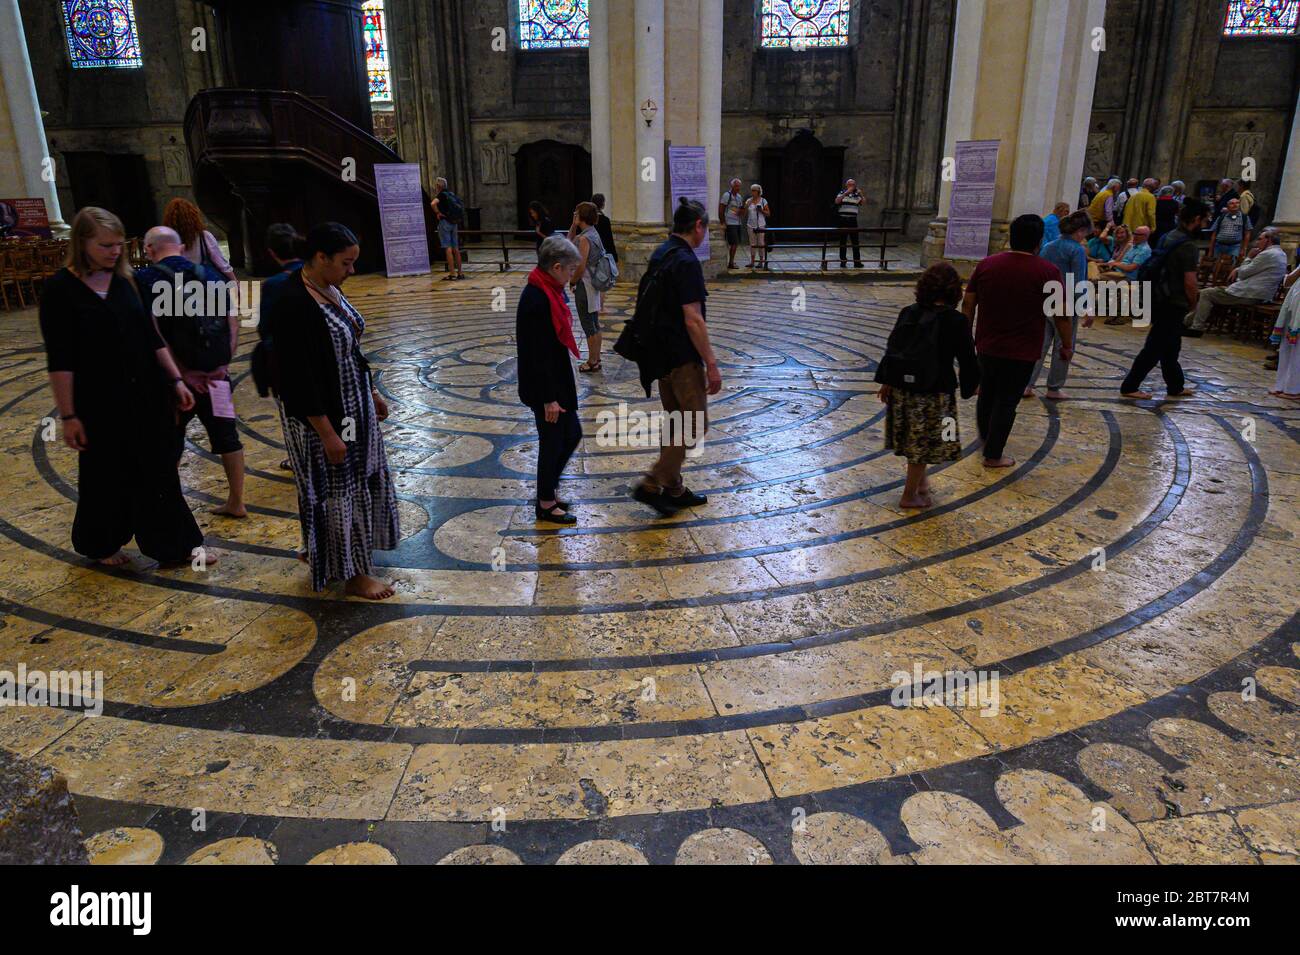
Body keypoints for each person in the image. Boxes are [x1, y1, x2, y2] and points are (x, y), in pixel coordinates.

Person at [38, 207, 210, 569]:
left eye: (119, 244)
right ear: (82, 242)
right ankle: (99, 542)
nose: (115, 251)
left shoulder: (126, 282)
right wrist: (68, 414)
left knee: (160, 469)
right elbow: (61, 359)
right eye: (105, 245)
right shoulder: (59, 290)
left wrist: (175, 379)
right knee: (105, 473)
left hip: (146, 393)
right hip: (98, 399)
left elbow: (152, 337)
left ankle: (176, 546)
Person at [273, 222, 400, 599]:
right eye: (346, 263)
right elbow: (297, 379)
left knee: (357, 479)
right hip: (323, 415)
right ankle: (355, 575)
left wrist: (372, 391)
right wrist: (327, 432)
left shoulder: (329, 288)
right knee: (339, 487)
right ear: (320, 257)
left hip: (353, 403)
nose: (352, 271)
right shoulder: (293, 304)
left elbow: (350, 350)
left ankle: (325, 552)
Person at [136, 225, 246, 518]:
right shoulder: (213, 276)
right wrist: (222, 365)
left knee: (169, 442)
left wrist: (181, 374)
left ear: (149, 250)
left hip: (177, 385)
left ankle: (166, 505)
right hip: (217, 379)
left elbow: (153, 332)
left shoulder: (145, 280)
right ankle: (237, 501)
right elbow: (232, 320)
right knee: (228, 437)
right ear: (182, 247)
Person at [631, 199, 721, 515]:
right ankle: (652, 483)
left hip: (660, 356)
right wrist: (711, 363)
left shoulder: (661, 253)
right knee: (695, 425)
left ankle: (674, 487)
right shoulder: (686, 261)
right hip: (683, 358)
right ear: (698, 225)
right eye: (706, 228)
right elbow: (693, 318)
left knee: (676, 422)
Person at [962, 214, 1070, 468]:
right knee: (1007, 400)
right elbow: (1061, 314)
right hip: (1023, 349)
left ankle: (986, 438)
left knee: (987, 394)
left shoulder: (986, 265)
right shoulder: (1048, 271)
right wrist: (1066, 344)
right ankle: (993, 454)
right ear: (1039, 241)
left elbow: (968, 304)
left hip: (987, 344)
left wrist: (966, 337)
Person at [876, 262, 979, 509]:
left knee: (914, 441)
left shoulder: (908, 312)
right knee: (921, 446)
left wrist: (886, 381)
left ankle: (921, 485)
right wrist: (971, 386)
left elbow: (894, 348)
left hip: (902, 388)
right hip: (934, 390)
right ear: (955, 291)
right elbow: (967, 357)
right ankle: (909, 495)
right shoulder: (956, 321)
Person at [517, 235, 584, 524]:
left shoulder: (547, 290)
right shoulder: (536, 298)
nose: (572, 276)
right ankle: (545, 502)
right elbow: (536, 353)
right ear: (556, 267)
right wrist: (549, 398)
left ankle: (548, 490)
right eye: (570, 270)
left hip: (556, 380)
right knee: (553, 441)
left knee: (571, 435)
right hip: (546, 387)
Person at [1118, 199, 1208, 399]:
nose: (1206, 225)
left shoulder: (1168, 236)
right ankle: (1130, 386)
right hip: (1173, 301)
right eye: (1204, 220)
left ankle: (1175, 386)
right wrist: (1193, 303)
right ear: (1196, 219)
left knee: (1171, 345)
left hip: (1158, 296)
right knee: (1155, 346)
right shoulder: (1189, 246)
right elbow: (1190, 281)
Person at [257, 223, 304, 472]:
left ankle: (297, 458)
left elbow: (264, 327)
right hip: (317, 355)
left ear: (272, 253)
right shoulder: (313, 273)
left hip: (286, 361)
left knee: (290, 414)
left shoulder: (274, 284)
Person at [1032, 210, 1094, 400]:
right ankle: (1054, 387)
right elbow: (1078, 282)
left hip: (1045, 299)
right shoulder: (1076, 250)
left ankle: (1027, 384)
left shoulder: (1048, 246)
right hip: (1066, 304)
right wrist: (1087, 309)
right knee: (1064, 345)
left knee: (1040, 345)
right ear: (1081, 231)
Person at [1185, 227, 1287, 336]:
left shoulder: (1267, 254)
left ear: (1268, 240)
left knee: (1206, 293)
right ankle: (1186, 322)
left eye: (1260, 239)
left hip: (1249, 293)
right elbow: (1251, 271)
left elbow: (1243, 273)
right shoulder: (1281, 254)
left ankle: (1196, 328)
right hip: (1260, 294)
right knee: (1207, 293)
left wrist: (1248, 257)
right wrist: (1239, 269)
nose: (1257, 242)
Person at [567, 201, 607, 373]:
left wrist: (573, 281)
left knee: (588, 324)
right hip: (594, 284)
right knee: (594, 323)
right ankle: (596, 359)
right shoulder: (593, 233)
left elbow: (581, 266)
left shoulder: (584, 238)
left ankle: (591, 361)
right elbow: (568, 244)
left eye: (576, 214)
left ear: (580, 216)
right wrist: (573, 225)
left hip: (585, 284)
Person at [162, 197, 238, 287]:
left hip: (178, 285)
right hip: (203, 283)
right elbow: (221, 264)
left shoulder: (165, 240)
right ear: (193, 216)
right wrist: (235, 281)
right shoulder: (204, 236)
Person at [1269, 263, 1300, 398]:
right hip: (1294, 302)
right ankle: (1282, 384)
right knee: (1287, 345)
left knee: (1298, 348)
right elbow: (1287, 281)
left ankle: (1293, 388)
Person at [431, 176, 465, 280]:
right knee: (456, 248)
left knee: (448, 248)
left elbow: (433, 203)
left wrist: (437, 213)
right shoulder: (451, 194)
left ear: (438, 186)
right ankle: (460, 273)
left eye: (436, 185)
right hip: (454, 223)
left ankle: (452, 274)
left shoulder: (441, 195)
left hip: (445, 222)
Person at [835, 178, 865, 267]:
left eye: (853, 185)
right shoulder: (842, 192)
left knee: (855, 241)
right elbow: (837, 201)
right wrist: (846, 193)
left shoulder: (857, 194)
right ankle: (843, 261)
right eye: (850, 184)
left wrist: (861, 194)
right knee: (843, 241)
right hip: (843, 219)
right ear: (846, 185)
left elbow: (863, 202)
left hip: (852, 220)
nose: (851, 186)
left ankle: (857, 262)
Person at [719, 178, 747, 269]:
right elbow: (721, 209)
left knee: (736, 243)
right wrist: (723, 222)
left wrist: (743, 210)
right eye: (736, 186)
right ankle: (730, 263)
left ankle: (731, 261)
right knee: (734, 243)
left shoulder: (739, 197)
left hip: (738, 223)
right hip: (730, 223)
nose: (738, 188)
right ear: (732, 186)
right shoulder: (727, 195)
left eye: (739, 186)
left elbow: (741, 210)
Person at [745, 184, 770, 269]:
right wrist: (746, 206)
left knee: (761, 243)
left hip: (761, 224)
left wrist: (761, 210)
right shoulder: (749, 200)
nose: (752, 192)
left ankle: (761, 261)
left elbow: (768, 213)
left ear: (758, 192)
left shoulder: (763, 201)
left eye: (754, 190)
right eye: (752, 190)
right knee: (752, 243)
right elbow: (744, 212)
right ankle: (752, 261)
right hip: (750, 224)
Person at [592, 194, 618, 263]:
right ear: (602, 204)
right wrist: (614, 257)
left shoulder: (589, 219)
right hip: (604, 252)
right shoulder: (605, 220)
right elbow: (609, 239)